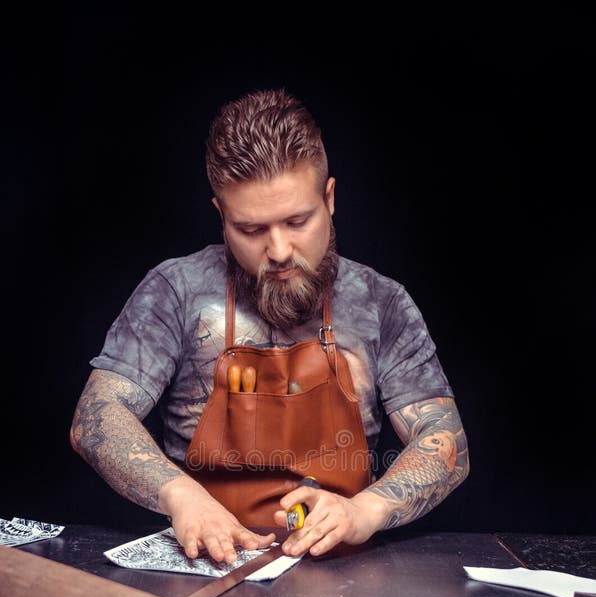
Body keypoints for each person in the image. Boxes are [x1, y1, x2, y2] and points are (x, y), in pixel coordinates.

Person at [70, 88, 469, 564]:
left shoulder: (382, 303)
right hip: (204, 563)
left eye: (297, 221)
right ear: (221, 216)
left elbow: (446, 443)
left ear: (330, 198)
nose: (278, 251)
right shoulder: (174, 291)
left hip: (343, 569)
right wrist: (180, 495)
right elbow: (97, 416)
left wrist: (366, 510)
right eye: (252, 229)